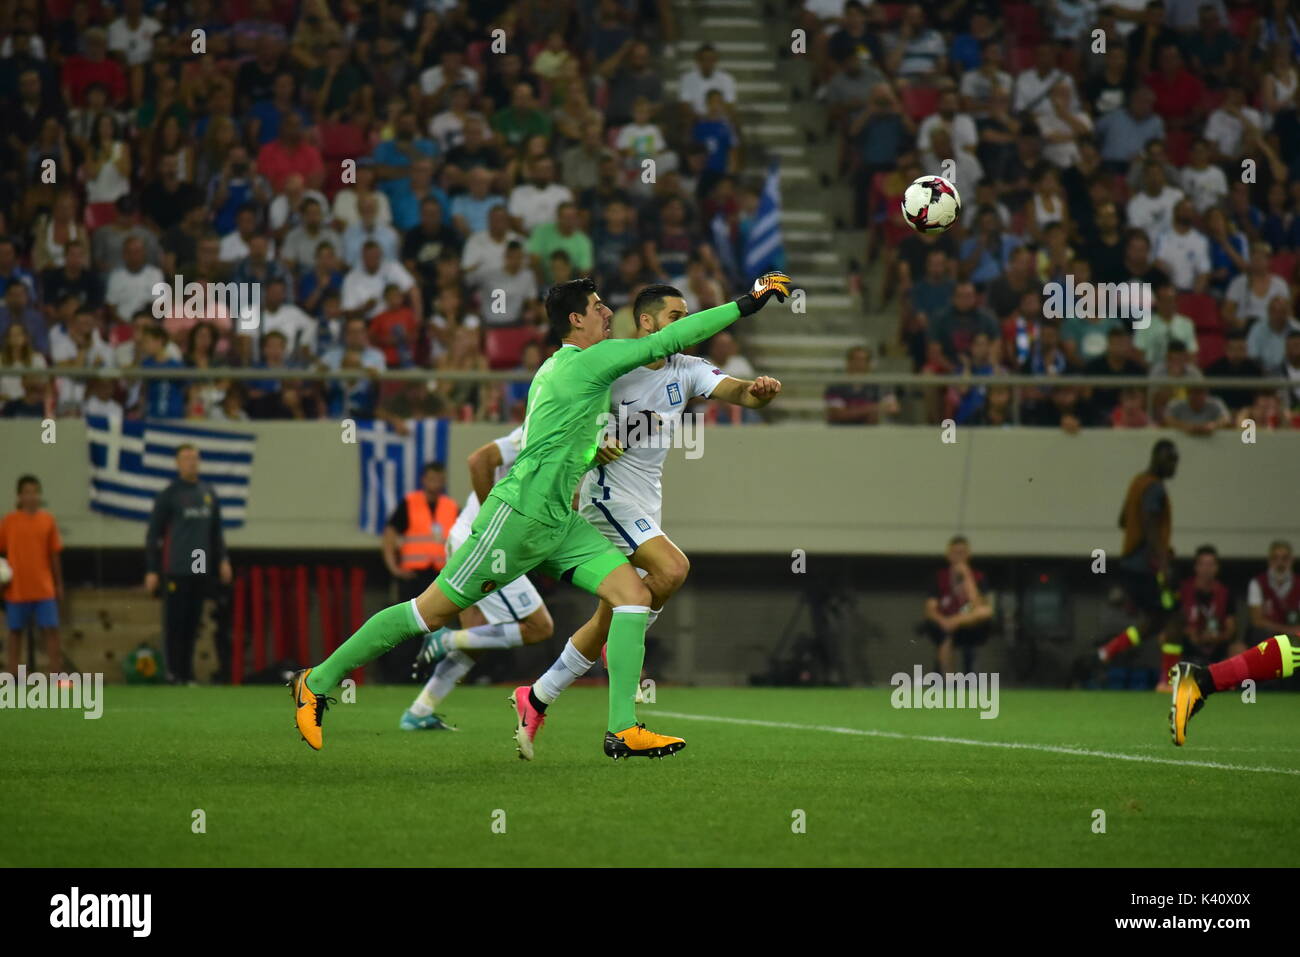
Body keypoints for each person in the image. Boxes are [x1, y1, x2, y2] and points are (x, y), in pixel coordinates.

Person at [288, 270, 793, 758]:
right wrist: (747, 302)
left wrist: (592, 448)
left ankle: (622, 729)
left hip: (560, 521)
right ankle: (317, 681)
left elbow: (561, 434)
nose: (606, 314)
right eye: (598, 309)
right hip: (519, 517)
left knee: (633, 595)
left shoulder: (571, 370)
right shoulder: (583, 363)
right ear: (576, 321)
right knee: (429, 613)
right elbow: (671, 339)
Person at [446, 283, 783, 760]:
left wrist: (760, 391)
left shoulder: (687, 370)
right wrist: (594, 443)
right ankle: (623, 707)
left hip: (646, 504)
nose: (683, 324)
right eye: (674, 315)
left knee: (616, 611)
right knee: (671, 570)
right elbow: (567, 420)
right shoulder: (609, 364)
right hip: (605, 498)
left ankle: (538, 694)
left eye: (686, 315)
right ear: (646, 323)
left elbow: (741, 394)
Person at [401, 429, 555, 730]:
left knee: (477, 639)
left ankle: (419, 712)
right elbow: (478, 460)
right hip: (485, 544)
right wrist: (493, 524)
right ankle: (445, 638)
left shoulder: (561, 439)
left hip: (465, 538)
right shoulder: (538, 431)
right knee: (539, 627)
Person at [1078, 440, 1180, 683]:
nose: (1174, 466)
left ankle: (1105, 653)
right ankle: (1168, 680)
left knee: (1155, 620)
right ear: (1158, 458)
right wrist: (1163, 563)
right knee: (1174, 618)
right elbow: (1150, 523)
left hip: (1130, 564)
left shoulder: (1137, 482)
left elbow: (1124, 520)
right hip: (1148, 566)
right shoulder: (1155, 488)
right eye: (1171, 460)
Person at [144, 445, 232, 684]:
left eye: (195, 458)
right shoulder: (170, 494)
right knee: (176, 622)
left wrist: (223, 559)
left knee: (194, 623)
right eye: (186, 459)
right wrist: (152, 569)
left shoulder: (208, 493)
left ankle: (188, 673)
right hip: (176, 567)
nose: (191, 463)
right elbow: (154, 534)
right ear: (177, 463)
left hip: (198, 567)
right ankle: (173, 673)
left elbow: (215, 532)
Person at [379, 462, 458, 681]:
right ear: (424, 479)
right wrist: (393, 568)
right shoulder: (410, 503)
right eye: (431, 478)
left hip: (440, 577)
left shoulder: (450, 507)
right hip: (413, 576)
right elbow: (390, 533)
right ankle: (401, 675)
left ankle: (434, 674)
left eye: (439, 479)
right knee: (408, 626)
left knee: (438, 626)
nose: (435, 483)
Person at [0, 475, 64, 673]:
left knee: (50, 631)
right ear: (19, 496)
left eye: (35, 492)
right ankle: (13, 676)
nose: (31, 496)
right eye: (27, 492)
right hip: (16, 588)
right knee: (15, 633)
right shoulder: (9, 522)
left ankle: (55, 676)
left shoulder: (47, 521)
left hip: (44, 588)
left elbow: (54, 554)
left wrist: (58, 584)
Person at [1156, 545, 1238, 693]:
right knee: (1168, 636)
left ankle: (1237, 687)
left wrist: (1218, 637)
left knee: (1239, 648)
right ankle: (1167, 682)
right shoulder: (1183, 590)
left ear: (1217, 568)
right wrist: (1190, 633)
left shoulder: (1225, 593)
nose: (1207, 569)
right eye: (1203, 564)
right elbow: (1174, 619)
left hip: (1217, 645)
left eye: (1211, 564)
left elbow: (1231, 628)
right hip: (1190, 646)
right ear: (1196, 567)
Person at [923, 536, 993, 673]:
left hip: (970, 624)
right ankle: (949, 682)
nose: (958, 557)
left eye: (962, 553)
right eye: (955, 553)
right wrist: (944, 621)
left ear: (968, 555)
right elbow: (930, 609)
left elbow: (979, 607)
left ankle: (954, 623)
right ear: (948, 555)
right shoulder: (939, 577)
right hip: (944, 624)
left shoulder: (978, 577)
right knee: (946, 635)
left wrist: (967, 577)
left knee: (985, 611)